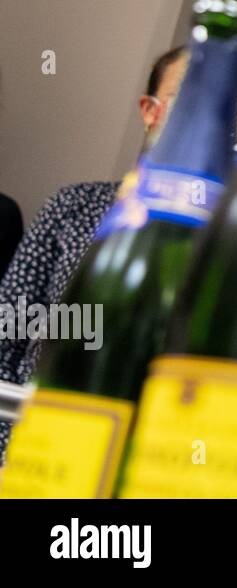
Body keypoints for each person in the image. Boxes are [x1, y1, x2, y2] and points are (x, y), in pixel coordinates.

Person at [0, 45, 190, 460]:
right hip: (37, 450)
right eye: (184, 98)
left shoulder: (232, 243)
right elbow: (6, 336)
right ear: (149, 110)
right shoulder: (74, 207)